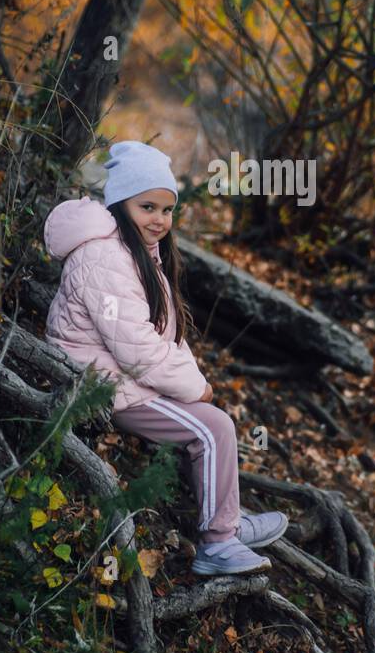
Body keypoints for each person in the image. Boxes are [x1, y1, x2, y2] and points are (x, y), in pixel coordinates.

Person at [43, 140, 288, 575]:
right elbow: (135, 347)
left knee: (209, 419)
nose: (159, 219)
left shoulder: (138, 253)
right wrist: (195, 388)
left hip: (124, 374)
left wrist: (194, 383)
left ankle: (228, 519)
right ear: (120, 205)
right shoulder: (103, 257)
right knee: (213, 428)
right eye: (147, 207)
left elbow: (164, 335)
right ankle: (218, 544)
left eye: (167, 210)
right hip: (101, 385)